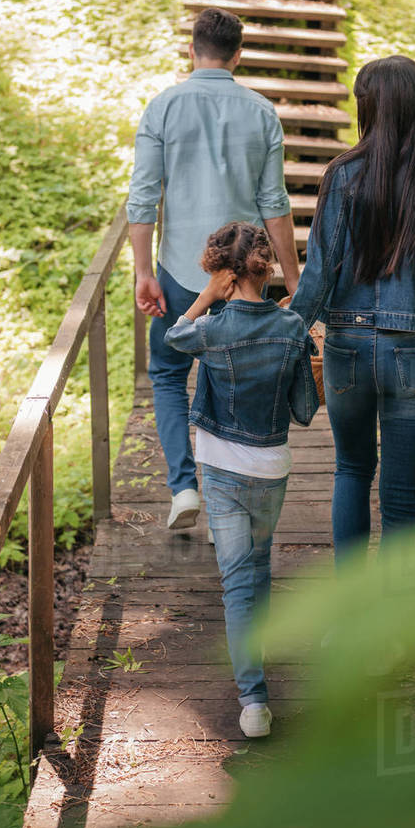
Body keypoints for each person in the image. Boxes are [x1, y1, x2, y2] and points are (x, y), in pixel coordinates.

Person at [290, 54, 415, 560]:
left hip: (349, 348)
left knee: (352, 471)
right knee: (403, 499)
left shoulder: (343, 175)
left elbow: (321, 268)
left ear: (371, 109)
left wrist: (291, 327)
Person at [127, 7, 301, 532]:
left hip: (183, 270)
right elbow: (274, 202)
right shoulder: (262, 112)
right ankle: (239, 491)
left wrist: (143, 270)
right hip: (246, 272)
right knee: (239, 371)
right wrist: (293, 279)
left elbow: (142, 198)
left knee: (167, 373)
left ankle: (183, 486)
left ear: (192, 49)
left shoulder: (162, 108)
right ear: (238, 55)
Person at [165, 222, 319, 737]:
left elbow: (174, 336)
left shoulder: (212, 328)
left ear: (221, 273)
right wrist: (309, 362)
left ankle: (253, 701)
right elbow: (302, 412)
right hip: (271, 469)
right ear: (266, 267)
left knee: (236, 585)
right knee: (259, 565)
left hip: (222, 469)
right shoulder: (293, 327)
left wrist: (206, 296)